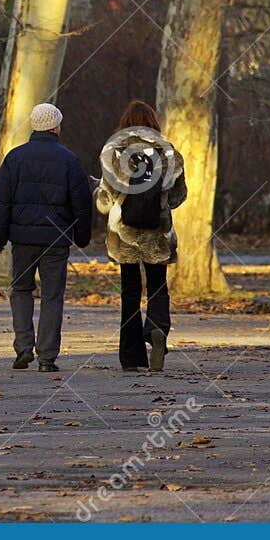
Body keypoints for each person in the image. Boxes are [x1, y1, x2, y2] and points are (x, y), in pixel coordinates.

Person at [0, 102, 93, 373]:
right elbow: (81, 203)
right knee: (52, 296)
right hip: (56, 240)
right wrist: (81, 236)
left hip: (22, 239)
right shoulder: (69, 160)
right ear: (56, 126)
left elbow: (1, 202)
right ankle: (47, 357)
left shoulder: (15, 158)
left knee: (21, 289)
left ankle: (24, 347)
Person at [95, 100, 186, 372]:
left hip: (124, 234)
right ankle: (156, 328)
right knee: (158, 286)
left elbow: (104, 200)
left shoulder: (113, 153)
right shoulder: (169, 153)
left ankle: (131, 356)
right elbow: (179, 197)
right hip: (157, 233)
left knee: (130, 291)